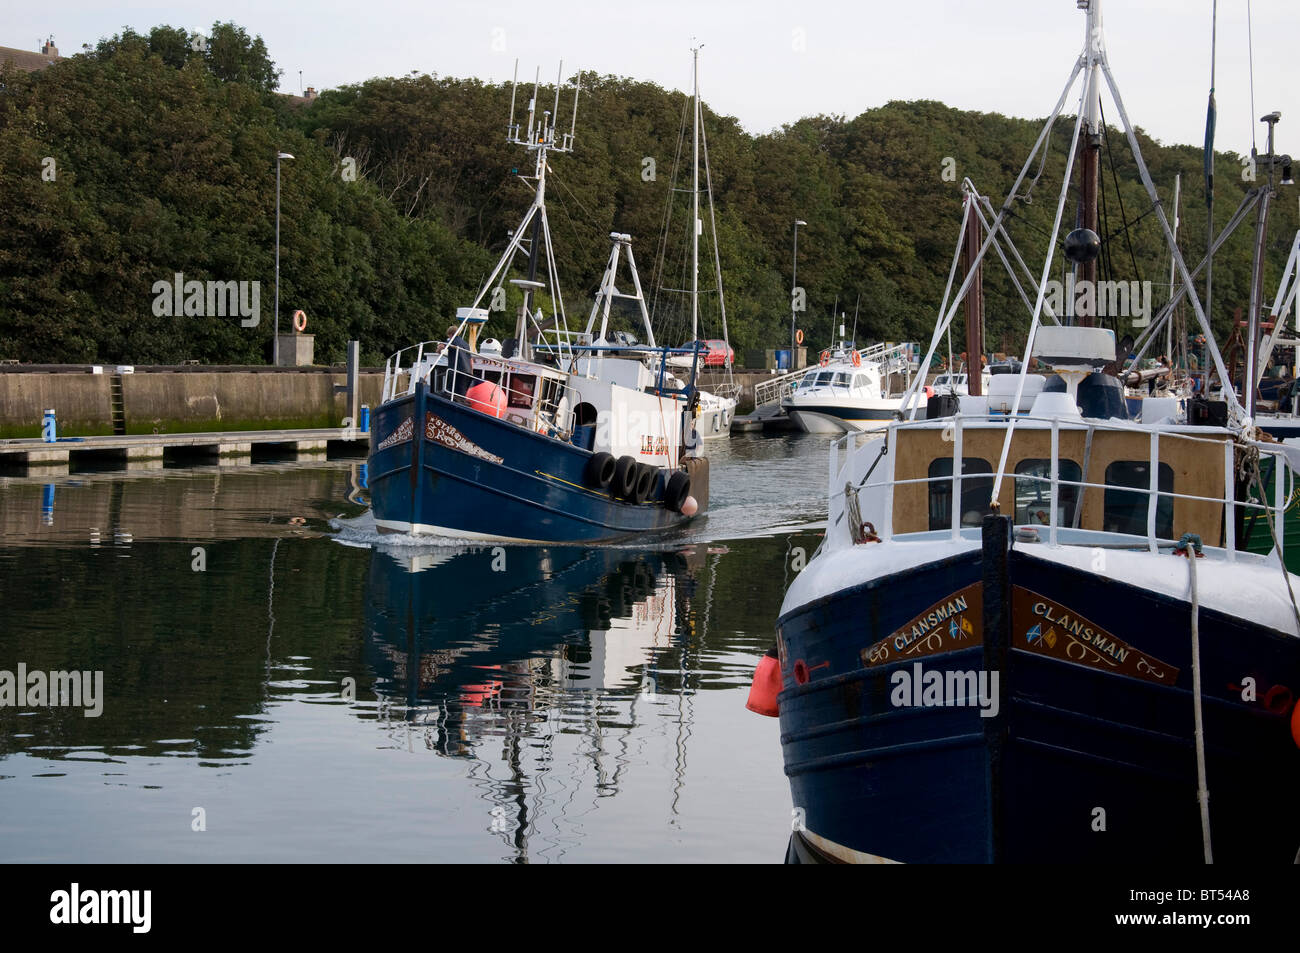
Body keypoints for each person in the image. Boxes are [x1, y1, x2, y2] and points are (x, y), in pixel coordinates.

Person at [445, 324, 473, 397]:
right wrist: (471, 372)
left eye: (448, 335)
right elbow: (470, 359)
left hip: (457, 371)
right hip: (467, 372)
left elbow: (443, 346)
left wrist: (438, 348)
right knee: (462, 393)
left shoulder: (452, 341)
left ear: (450, 334)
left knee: (450, 392)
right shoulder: (466, 344)